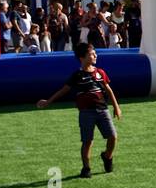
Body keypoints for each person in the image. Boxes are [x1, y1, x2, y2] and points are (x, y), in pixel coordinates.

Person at [36, 42, 122, 178]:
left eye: (95, 53)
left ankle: (107, 156)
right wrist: (48, 101)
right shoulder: (77, 75)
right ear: (82, 58)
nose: (95, 55)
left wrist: (116, 107)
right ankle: (86, 168)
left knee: (113, 137)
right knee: (88, 141)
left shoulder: (100, 73)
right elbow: (63, 90)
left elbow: (109, 90)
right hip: (86, 113)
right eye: (91, 54)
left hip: (103, 110)